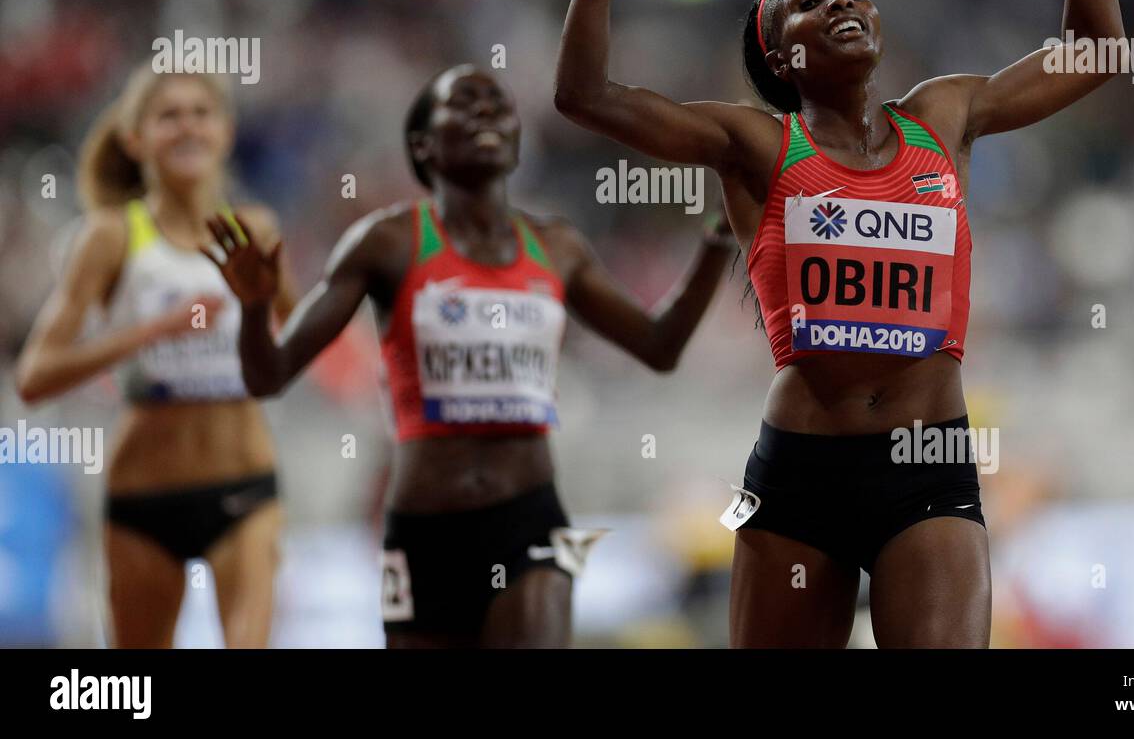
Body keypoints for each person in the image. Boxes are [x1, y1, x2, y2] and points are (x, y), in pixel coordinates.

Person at [548, 0, 1124, 647]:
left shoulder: (944, 115)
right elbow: (584, 94)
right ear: (782, 54)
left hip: (927, 460)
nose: (842, 4)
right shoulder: (756, 145)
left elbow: (1098, 50)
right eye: (811, 2)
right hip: (800, 472)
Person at [204, 64, 736, 647]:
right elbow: (270, 374)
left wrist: (717, 238)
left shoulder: (557, 247)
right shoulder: (388, 243)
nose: (486, 110)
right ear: (423, 145)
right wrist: (255, 308)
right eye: (465, 102)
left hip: (529, 517)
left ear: (516, 138)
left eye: (497, 103)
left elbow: (660, 347)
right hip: (425, 527)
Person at [16, 66, 295, 648]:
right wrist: (151, 332)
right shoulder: (112, 236)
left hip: (243, 481)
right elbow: (35, 376)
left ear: (226, 130)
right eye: (169, 115)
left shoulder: (257, 230)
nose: (188, 126)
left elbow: (300, 349)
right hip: (145, 491)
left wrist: (257, 307)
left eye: (202, 113)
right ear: (135, 138)